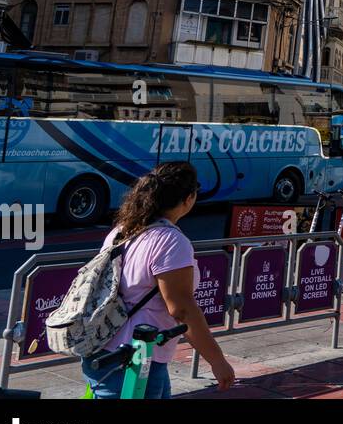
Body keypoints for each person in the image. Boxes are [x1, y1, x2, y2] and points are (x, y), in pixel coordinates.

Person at [82, 161, 235, 399]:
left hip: (106, 349)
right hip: (133, 361)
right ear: (189, 198)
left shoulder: (122, 231)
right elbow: (182, 309)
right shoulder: (171, 241)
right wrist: (217, 361)